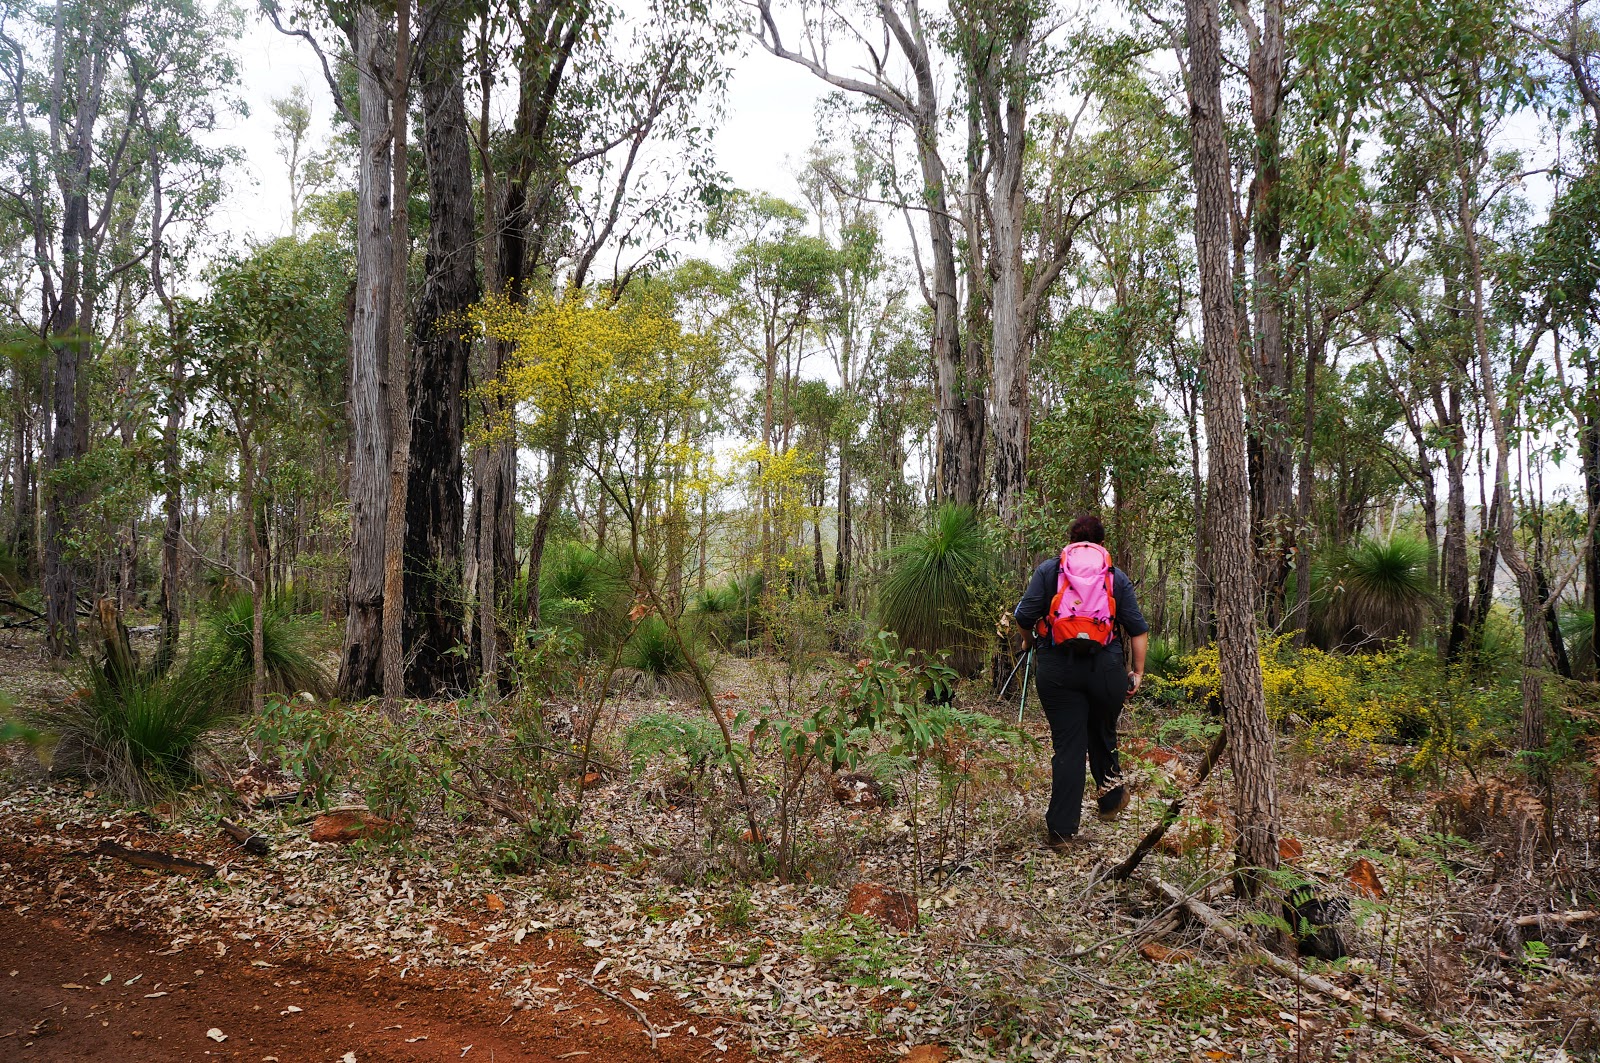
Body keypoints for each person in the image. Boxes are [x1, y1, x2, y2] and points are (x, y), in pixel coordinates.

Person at [1010, 514, 1148, 847]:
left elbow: (1023, 617)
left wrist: (1029, 642)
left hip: (1058, 668)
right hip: (1106, 668)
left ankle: (1061, 831)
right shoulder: (1114, 576)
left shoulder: (1049, 571)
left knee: (1069, 747)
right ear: (1101, 544)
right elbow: (1138, 629)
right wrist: (1138, 672)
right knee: (1102, 730)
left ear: (1070, 541)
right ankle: (1111, 799)